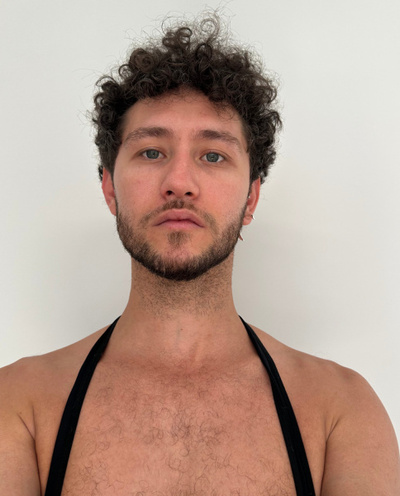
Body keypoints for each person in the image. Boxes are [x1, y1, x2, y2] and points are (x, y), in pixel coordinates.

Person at [0, 14, 399, 496]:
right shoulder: (20, 406)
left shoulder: (340, 412)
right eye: (151, 152)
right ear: (109, 189)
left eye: (213, 155)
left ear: (251, 198)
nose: (179, 182)